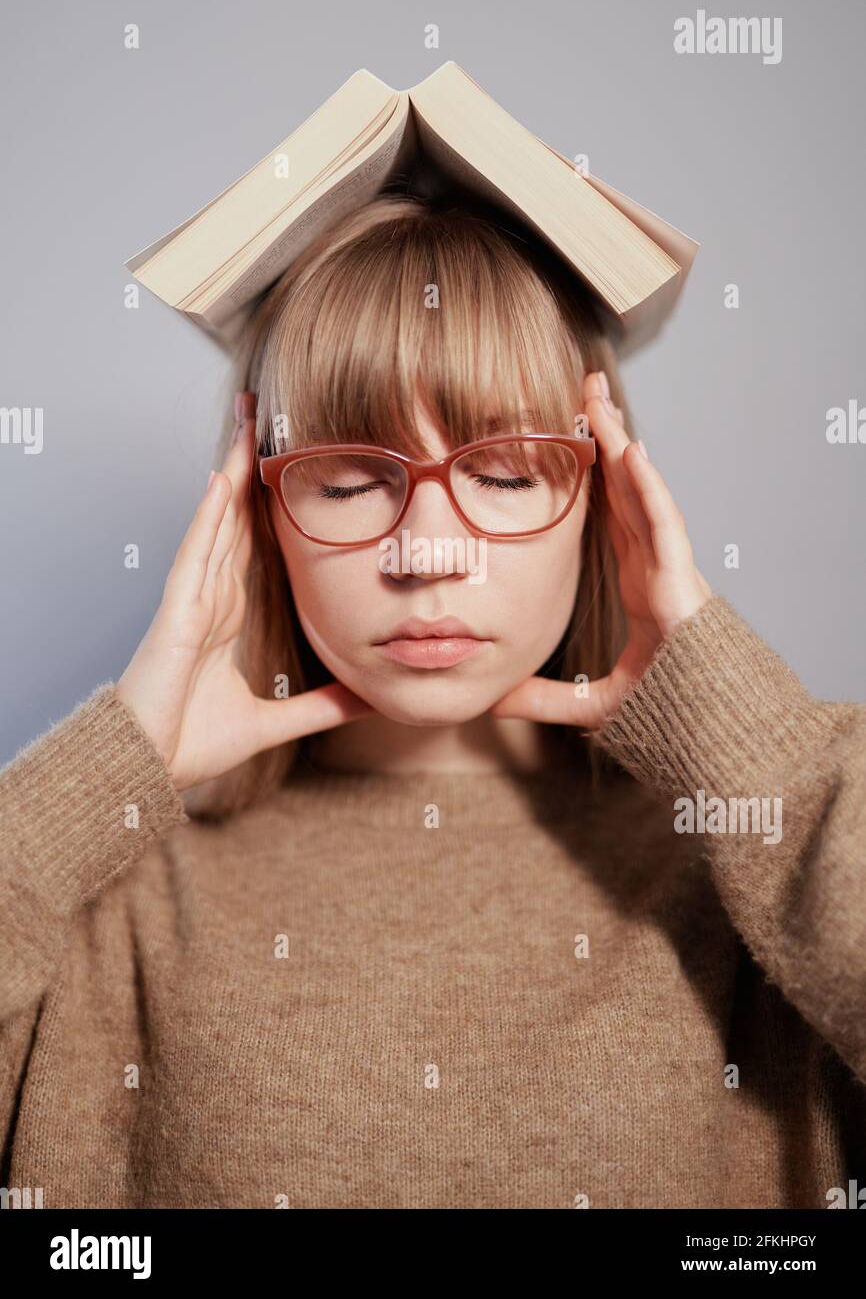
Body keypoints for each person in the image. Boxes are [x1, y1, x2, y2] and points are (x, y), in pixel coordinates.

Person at [1, 193, 864, 1210]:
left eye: (501, 471)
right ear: (255, 511)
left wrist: (750, 761)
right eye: (350, 480)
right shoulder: (104, 886)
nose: (425, 553)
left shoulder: (760, 866)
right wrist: (108, 774)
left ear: (605, 497)